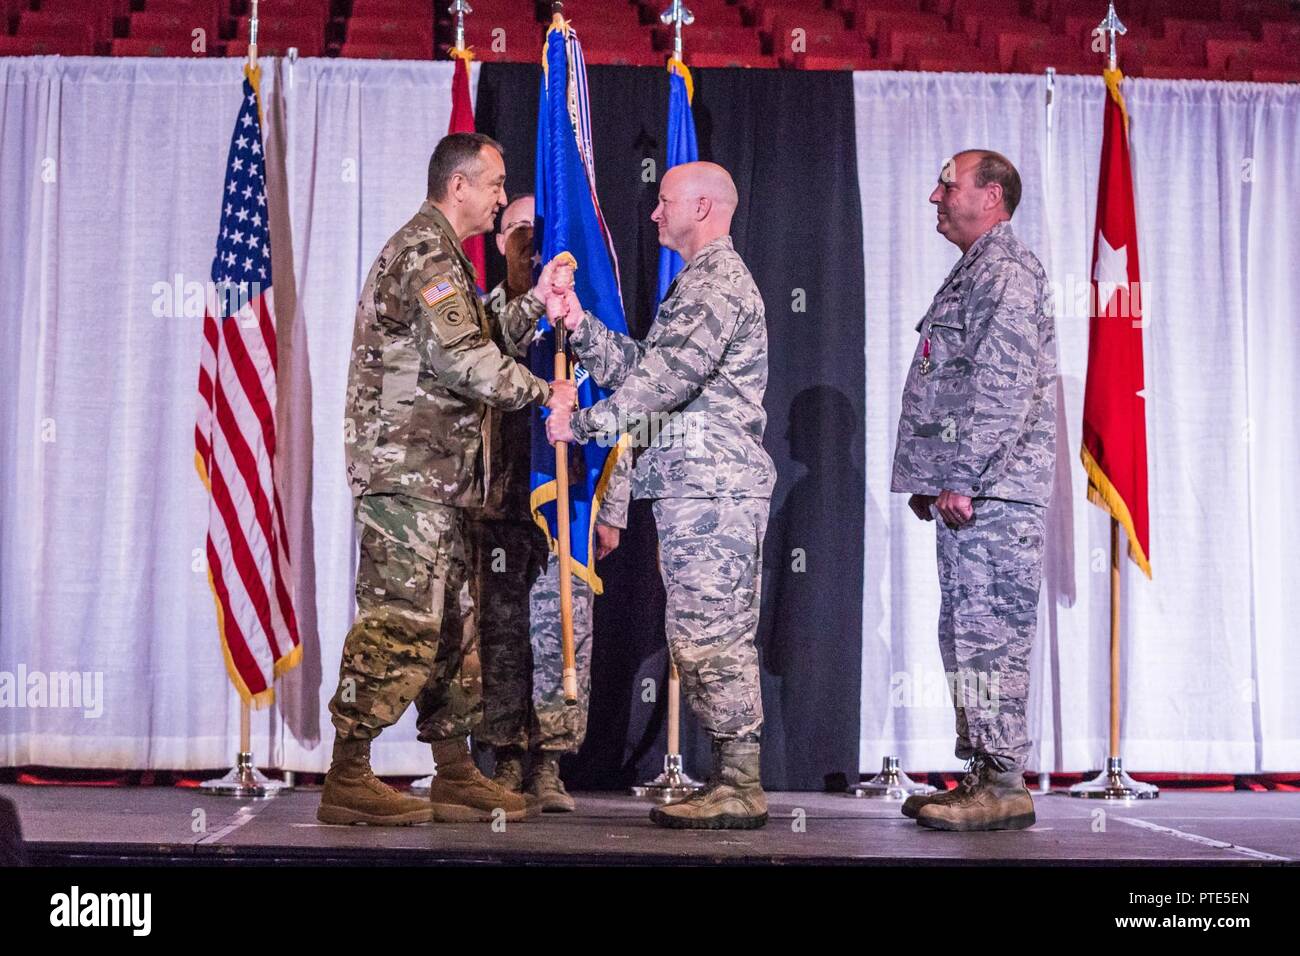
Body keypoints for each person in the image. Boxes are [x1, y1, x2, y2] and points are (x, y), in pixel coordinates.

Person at [318, 132, 575, 826]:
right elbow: (468, 361)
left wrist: (534, 303)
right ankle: (348, 773)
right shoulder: (426, 252)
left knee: (447, 634)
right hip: (409, 480)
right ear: (457, 186)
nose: (500, 199)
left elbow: (481, 330)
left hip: (441, 482)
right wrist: (542, 394)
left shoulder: (446, 258)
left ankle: (455, 771)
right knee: (399, 623)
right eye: (494, 185)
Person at [544, 161, 775, 830]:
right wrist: (579, 324)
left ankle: (741, 785)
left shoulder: (716, 285)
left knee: (713, 637)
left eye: (665, 201)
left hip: (715, 491)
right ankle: (735, 779)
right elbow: (645, 369)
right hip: (696, 491)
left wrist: (577, 425)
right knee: (699, 635)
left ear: (703, 207)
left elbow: (656, 387)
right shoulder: (697, 285)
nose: (653, 213)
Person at [892, 149, 1057, 831]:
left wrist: (964, 476)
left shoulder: (1007, 273)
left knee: (990, 638)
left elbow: (1002, 385)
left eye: (947, 185)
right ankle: (984, 775)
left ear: (991, 196)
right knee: (966, 636)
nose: (934, 197)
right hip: (976, 494)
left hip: (994, 494)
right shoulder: (977, 270)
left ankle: (1005, 784)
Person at [474, 194, 631, 812]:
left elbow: (620, 416)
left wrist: (610, 507)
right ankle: (505, 761)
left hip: (565, 508)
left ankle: (548, 765)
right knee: (499, 638)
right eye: (516, 230)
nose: (530, 243)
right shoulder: (484, 317)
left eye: (539, 232)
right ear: (498, 242)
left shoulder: (582, 322)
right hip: (493, 505)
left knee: (561, 633)